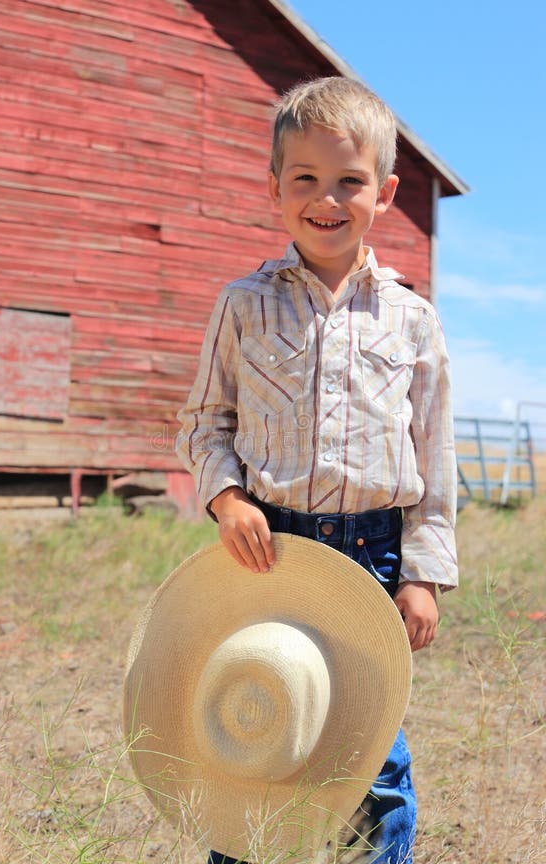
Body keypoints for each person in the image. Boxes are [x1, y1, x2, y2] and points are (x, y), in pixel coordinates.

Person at [176, 75, 458, 864]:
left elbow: (434, 459)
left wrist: (424, 575)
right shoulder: (244, 305)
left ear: (387, 191)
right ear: (274, 188)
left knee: (374, 754)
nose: (325, 199)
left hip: (373, 553)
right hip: (265, 550)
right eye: (304, 178)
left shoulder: (411, 318)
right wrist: (228, 499)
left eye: (349, 181)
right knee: (260, 724)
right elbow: (205, 423)